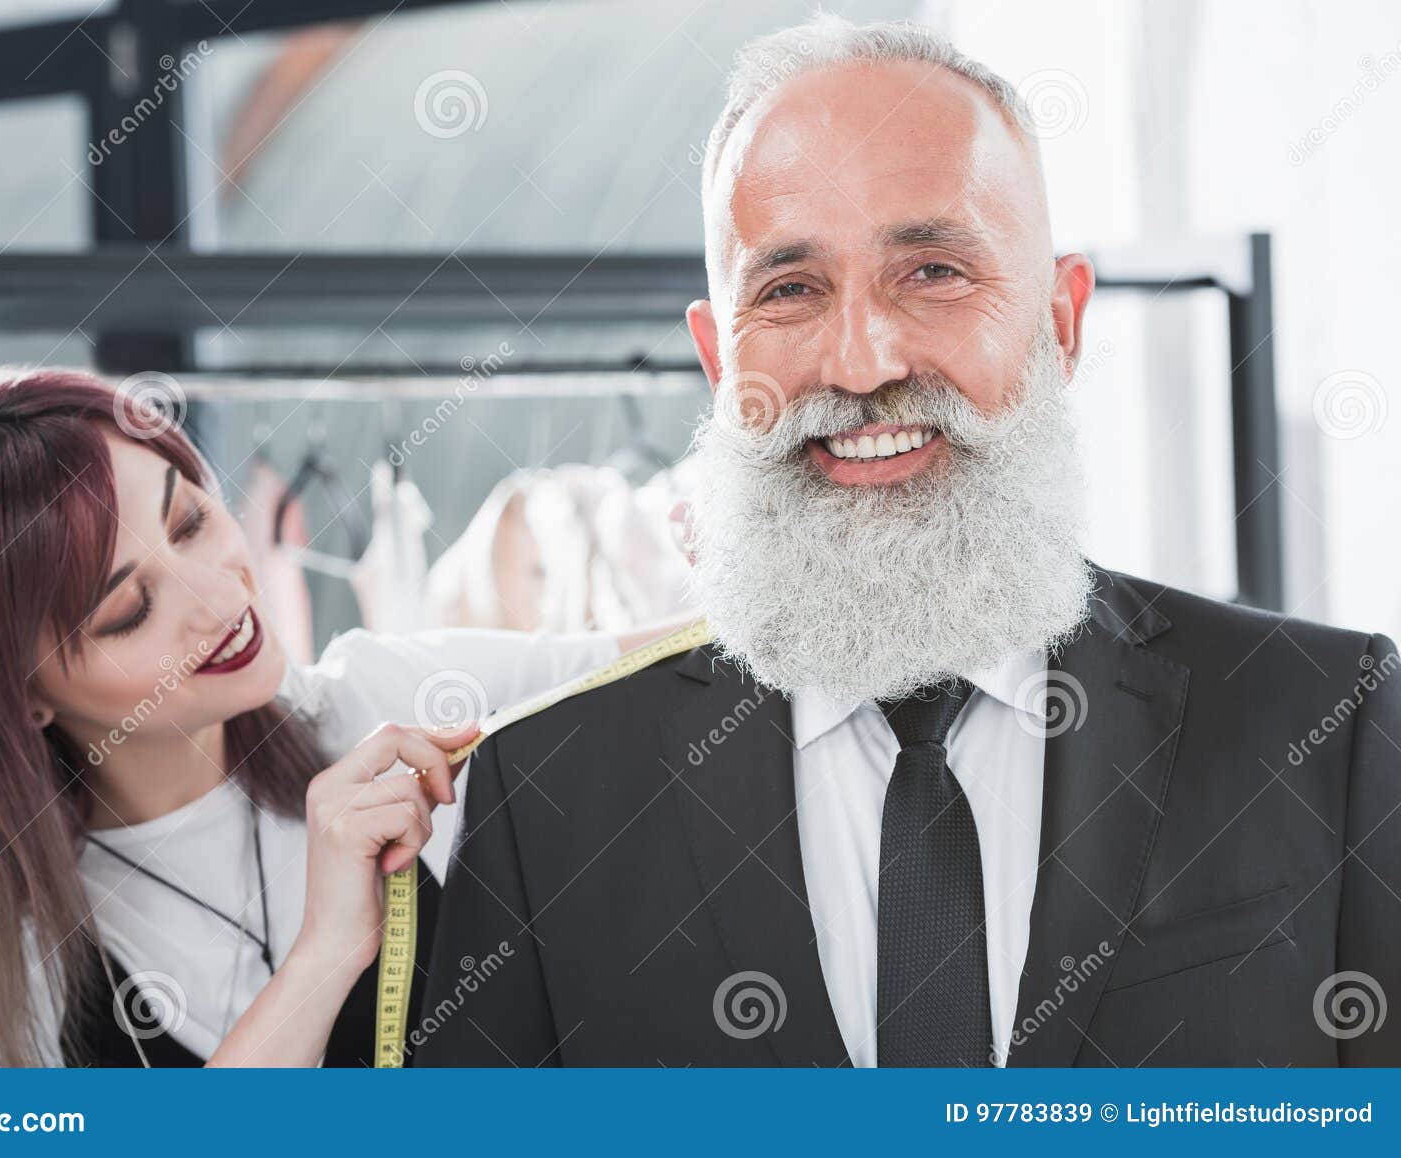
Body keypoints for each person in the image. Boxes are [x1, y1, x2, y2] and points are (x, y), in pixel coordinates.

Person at [415, 15, 1401, 1068]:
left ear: (1060, 324)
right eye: (790, 290)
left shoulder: (1328, 723)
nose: (860, 361)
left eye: (932, 272)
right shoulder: (550, 800)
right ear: (717, 357)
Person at [0, 365, 669, 1067]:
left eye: (191, 519)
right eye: (129, 609)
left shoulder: (377, 699)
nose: (218, 595)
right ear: (14, 694)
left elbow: (696, 659)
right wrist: (328, 952)